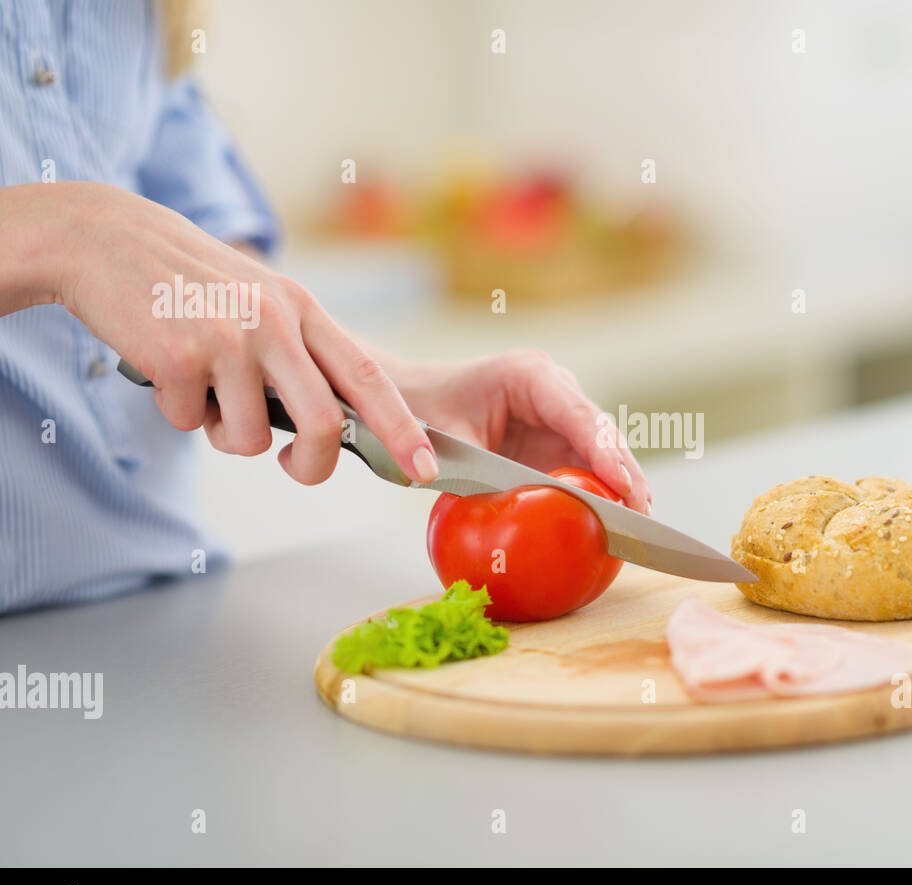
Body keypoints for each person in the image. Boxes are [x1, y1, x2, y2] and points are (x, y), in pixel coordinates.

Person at [0, 1, 649, 614]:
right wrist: (61, 233)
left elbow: (201, 249)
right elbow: (113, 241)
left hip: (168, 608)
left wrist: (400, 392)